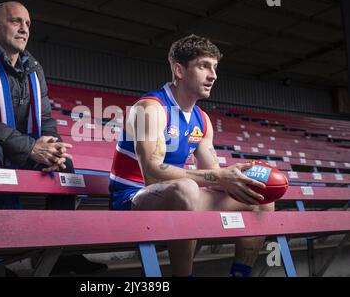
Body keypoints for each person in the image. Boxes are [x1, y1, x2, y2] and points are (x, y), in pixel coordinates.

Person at [0, 1, 106, 275]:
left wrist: (51, 148)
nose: (24, 29)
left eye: (27, 24)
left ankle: (59, 252)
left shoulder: (33, 68)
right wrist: (29, 147)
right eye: (16, 21)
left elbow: (46, 120)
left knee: (64, 164)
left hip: (10, 148)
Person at [109, 34, 274, 277]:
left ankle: (240, 274)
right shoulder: (150, 108)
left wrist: (236, 177)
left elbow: (214, 174)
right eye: (203, 66)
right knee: (186, 188)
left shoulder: (202, 120)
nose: (213, 75)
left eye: (215, 67)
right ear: (179, 70)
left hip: (179, 196)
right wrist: (218, 176)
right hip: (132, 198)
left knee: (260, 194)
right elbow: (153, 174)